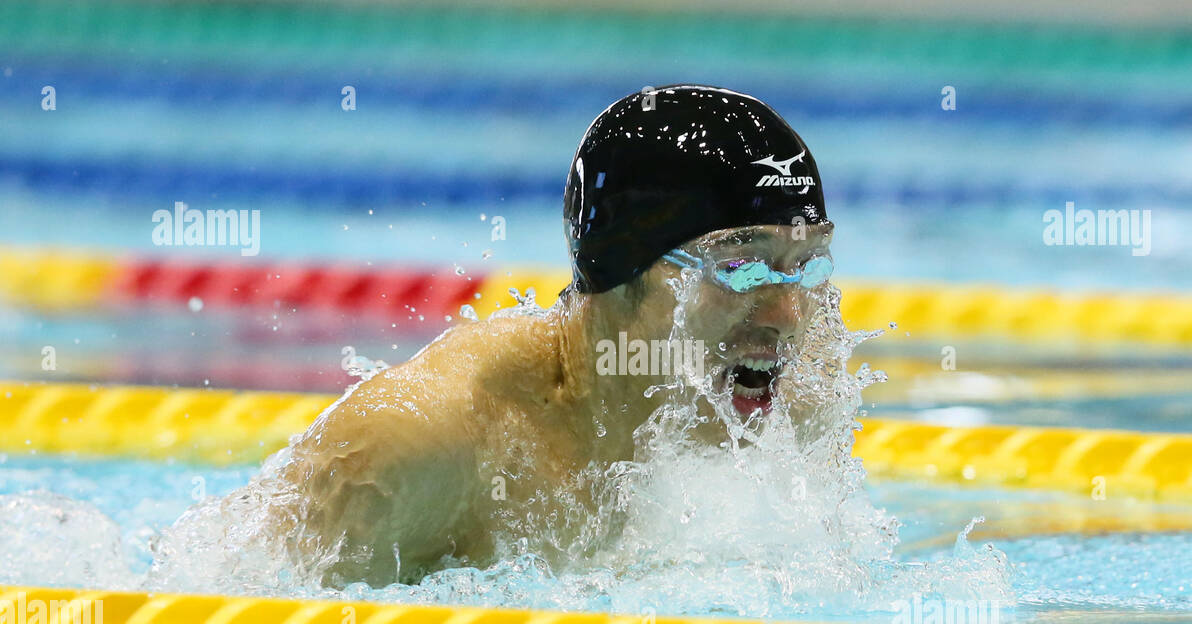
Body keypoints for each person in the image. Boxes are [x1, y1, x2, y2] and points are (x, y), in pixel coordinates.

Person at [271, 85, 836, 584]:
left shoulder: (792, 405)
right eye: (743, 270)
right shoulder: (424, 447)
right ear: (619, 272)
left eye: (806, 264)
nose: (787, 314)